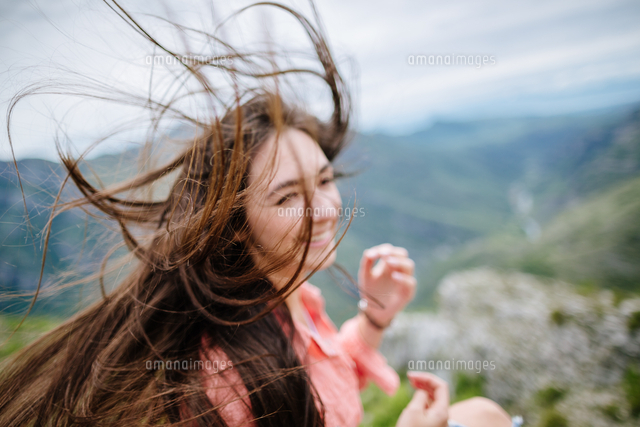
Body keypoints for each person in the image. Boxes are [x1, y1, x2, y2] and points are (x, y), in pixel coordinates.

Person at [0, 2, 518, 426]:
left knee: (485, 414)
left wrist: (374, 318)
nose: (323, 210)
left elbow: (323, 374)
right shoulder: (222, 380)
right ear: (235, 228)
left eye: (325, 180)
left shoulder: (289, 297)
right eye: (287, 196)